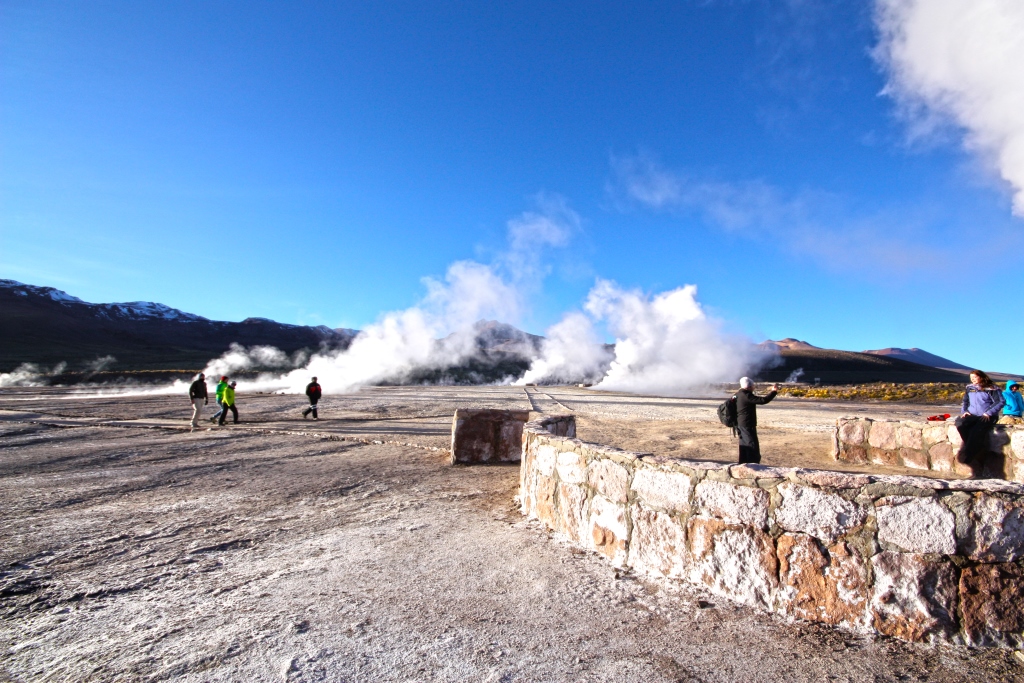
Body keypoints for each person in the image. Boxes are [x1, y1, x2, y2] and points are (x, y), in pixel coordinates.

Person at [956, 370, 1005, 477]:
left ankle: (970, 453)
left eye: (975, 377)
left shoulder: (992, 388)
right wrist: (965, 411)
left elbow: (1000, 401)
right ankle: (974, 446)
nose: (972, 379)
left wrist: (989, 412)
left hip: (987, 415)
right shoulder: (970, 388)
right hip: (972, 414)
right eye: (971, 377)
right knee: (961, 426)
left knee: (976, 430)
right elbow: (965, 401)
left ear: (981, 377)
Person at [735, 377, 779, 464]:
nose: (754, 387)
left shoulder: (738, 394)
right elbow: (763, 400)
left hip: (740, 424)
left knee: (744, 446)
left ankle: (743, 463)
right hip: (747, 424)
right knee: (752, 446)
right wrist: (773, 392)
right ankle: (753, 465)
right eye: (752, 386)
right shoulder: (746, 395)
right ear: (749, 386)